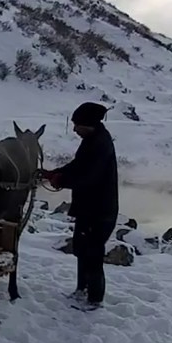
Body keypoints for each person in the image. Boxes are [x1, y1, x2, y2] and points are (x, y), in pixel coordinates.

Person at [40, 101, 119, 310]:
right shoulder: (92, 140)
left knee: (92, 254)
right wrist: (54, 172)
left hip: (99, 210)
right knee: (83, 250)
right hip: (89, 208)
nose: (74, 129)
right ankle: (81, 289)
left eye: (77, 125)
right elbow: (77, 166)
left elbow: (88, 177)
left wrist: (61, 180)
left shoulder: (100, 144)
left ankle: (94, 299)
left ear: (87, 123)